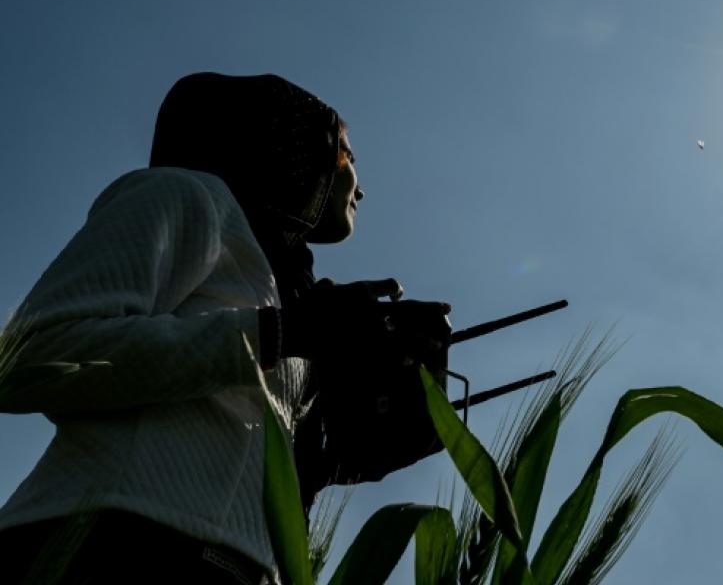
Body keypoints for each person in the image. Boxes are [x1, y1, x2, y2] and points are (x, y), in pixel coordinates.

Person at [0, 72, 451, 584]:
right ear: (298, 146)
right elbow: (32, 359)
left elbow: (225, 445)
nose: (361, 188)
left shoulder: (282, 289)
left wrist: (339, 452)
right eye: (348, 156)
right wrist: (281, 333)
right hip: (107, 546)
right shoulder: (189, 195)